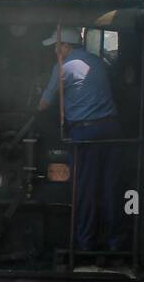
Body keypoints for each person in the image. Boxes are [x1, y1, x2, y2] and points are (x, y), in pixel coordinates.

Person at [38, 26, 123, 253]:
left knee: (84, 189)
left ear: (66, 46)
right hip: (112, 129)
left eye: (57, 47)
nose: (55, 51)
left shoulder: (62, 67)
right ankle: (115, 242)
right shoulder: (97, 61)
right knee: (110, 187)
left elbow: (43, 104)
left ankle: (85, 244)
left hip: (86, 132)